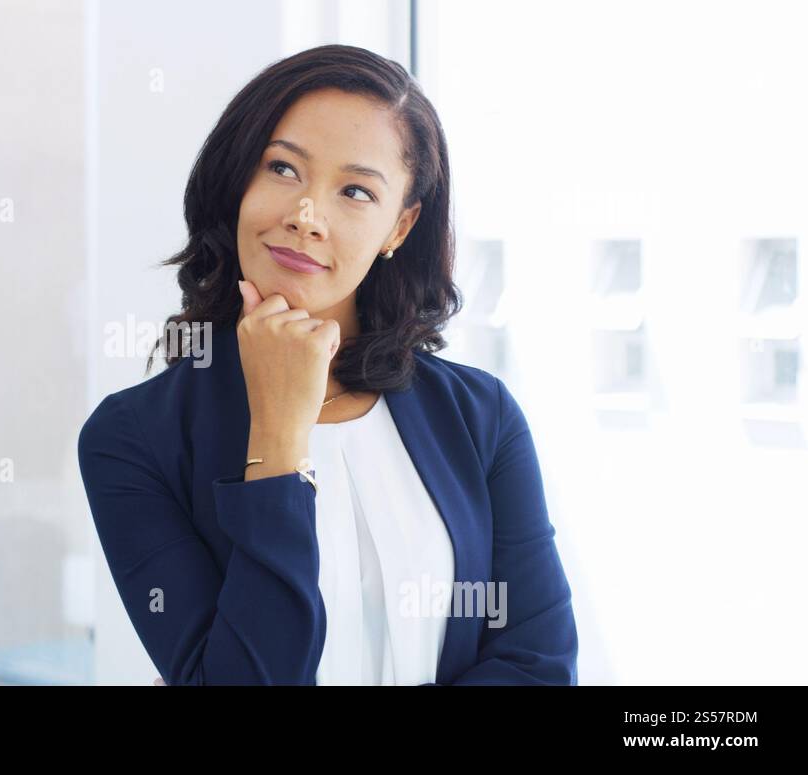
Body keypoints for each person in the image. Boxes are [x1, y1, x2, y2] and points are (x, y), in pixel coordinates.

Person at [78, 44, 577, 686]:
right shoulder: (131, 439)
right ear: (237, 181)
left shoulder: (482, 418)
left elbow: (537, 669)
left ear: (399, 228)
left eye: (354, 191)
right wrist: (280, 439)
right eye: (283, 169)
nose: (305, 216)